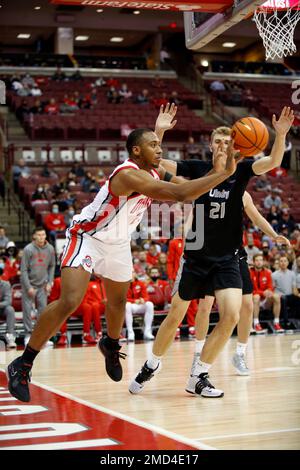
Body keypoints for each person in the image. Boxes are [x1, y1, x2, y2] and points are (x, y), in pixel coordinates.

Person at [7, 103, 239, 403]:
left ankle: (110, 343)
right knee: (70, 300)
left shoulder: (148, 169)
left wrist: (162, 134)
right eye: (154, 145)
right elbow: (181, 194)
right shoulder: (128, 175)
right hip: (87, 237)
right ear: (136, 152)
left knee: (117, 302)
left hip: (117, 243)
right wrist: (224, 173)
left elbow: (180, 180)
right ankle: (23, 363)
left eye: (160, 144)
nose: (160, 148)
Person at [129, 106, 294, 397]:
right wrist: (160, 132)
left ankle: (199, 375)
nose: (221, 145)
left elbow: (274, 160)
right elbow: (152, 164)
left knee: (231, 314)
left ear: (236, 145)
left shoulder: (241, 171)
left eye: (226, 141)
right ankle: (152, 364)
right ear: (210, 145)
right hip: (196, 253)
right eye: (217, 141)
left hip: (227, 256)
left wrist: (280, 134)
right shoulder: (195, 168)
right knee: (176, 315)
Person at [188, 191, 289, 379]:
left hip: (234, 254)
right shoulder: (205, 188)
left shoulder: (242, 193)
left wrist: (274, 236)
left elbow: (256, 217)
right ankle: (198, 353)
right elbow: (194, 220)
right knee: (205, 307)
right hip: (208, 254)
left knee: (248, 305)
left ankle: (240, 354)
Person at [20, 227, 55, 346]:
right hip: (29, 285)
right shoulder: (28, 249)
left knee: (43, 312)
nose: (41, 237)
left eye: (43, 235)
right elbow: (23, 270)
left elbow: (52, 266)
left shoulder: (50, 249)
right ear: (34, 236)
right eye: (38, 235)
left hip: (42, 285)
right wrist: (28, 287)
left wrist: (50, 282)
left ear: (45, 235)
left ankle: (41, 337)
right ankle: (28, 335)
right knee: (27, 311)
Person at [125, 272, 155, 341]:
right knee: (127, 305)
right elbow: (123, 299)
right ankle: (130, 333)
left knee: (149, 304)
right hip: (131, 306)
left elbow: (147, 297)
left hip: (139, 305)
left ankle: (147, 332)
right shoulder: (124, 285)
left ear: (135, 274)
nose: (131, 274)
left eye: (132, 272)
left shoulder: (141, 283)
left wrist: (143, 300)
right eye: (129, 272)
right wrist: (134, 301)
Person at [0, 269, 16, 348]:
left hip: (2, 308)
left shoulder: (6, 284)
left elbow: (8, 301)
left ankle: (10, 336)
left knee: (10, 309)